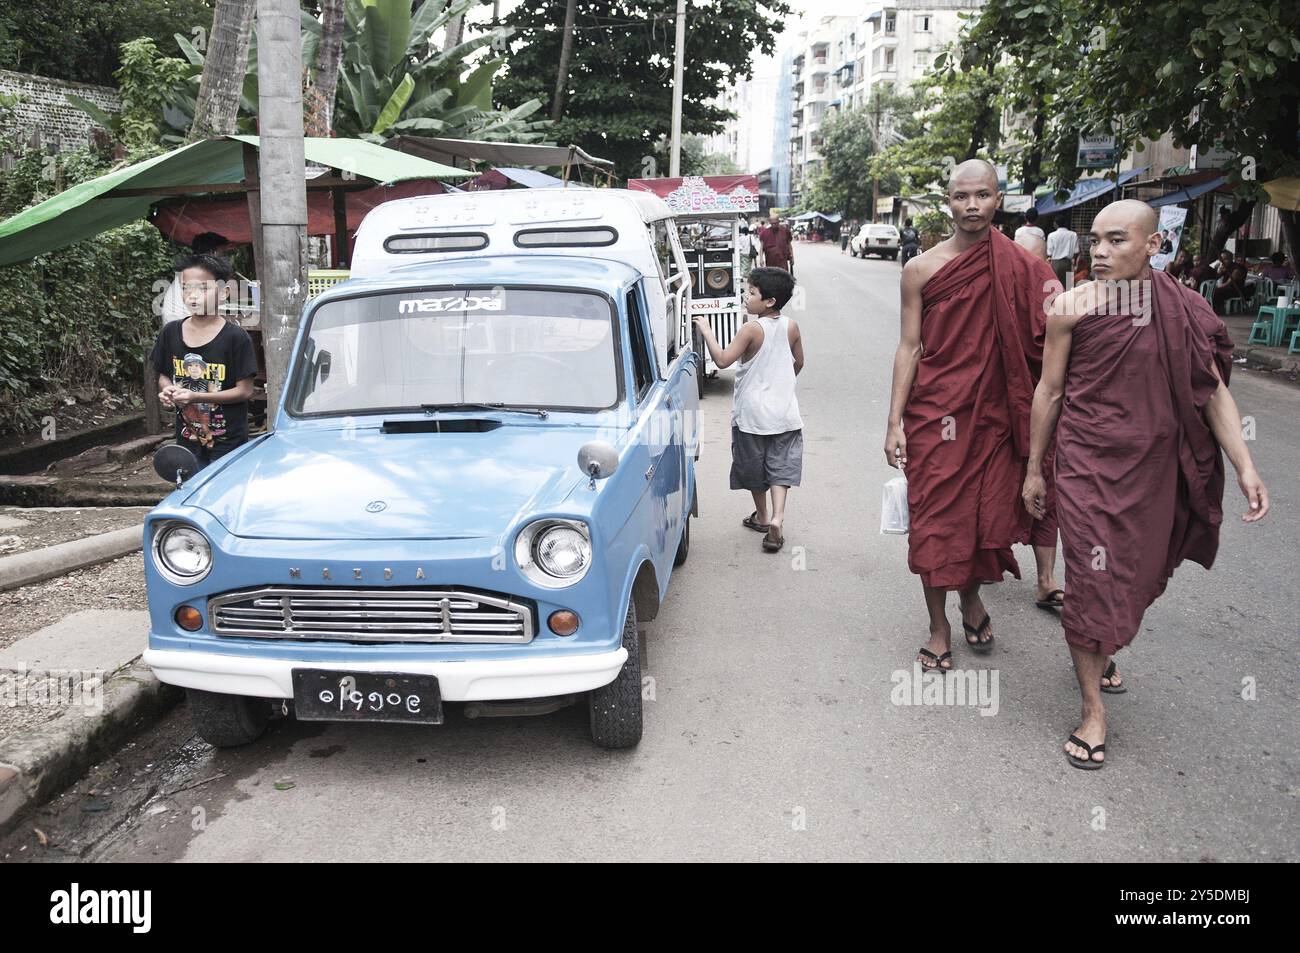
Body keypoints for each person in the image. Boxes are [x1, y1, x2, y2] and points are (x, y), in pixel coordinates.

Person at [1024, 200, 1269, 770]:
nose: (1102, 254)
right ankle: (1092, 711)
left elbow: (1212, 393)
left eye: (1117, 242)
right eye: (1096, 244)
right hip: (1087, 466)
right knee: (1089, 580)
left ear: (1153, 246)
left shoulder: (1183, 309)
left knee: (1130, 577)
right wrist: (1036, 468)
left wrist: (1245, 466)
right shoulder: (1070, 307)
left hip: (1155, 470)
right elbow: (1049, 392)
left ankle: (1102, 643)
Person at [885, 159, 1063, 673]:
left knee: (983, 519)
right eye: (961, 197)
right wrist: (893, 420)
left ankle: (970, 598)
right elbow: (909, 346)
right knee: (937, 519)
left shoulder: (1026, 269)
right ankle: (939, 626)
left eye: (982, 195)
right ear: (948, 201)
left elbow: (1054, 346)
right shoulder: (921, 269)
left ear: (998, 200)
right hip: (936, 412)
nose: (972, 206)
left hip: (996, 421)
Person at [693, 267, 804, 555]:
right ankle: (778, 517)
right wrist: (780, 381)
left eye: (752, 292)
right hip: (784, 413)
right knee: (781, 466)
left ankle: (763, 517)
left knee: (754, 467)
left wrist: (706, 330)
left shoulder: (751, 329)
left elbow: (722, 360)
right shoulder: (791, 326)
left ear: (769, 301)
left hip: (751, 415)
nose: (746, 296)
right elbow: (799, 362)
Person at [149, 253, 258, 471]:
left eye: (203, 288)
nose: (193, 296)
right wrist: (169, 390)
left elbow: (245, 391)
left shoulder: (236, 338)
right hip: (187, 440)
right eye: (186, 288)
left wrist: (197, 396)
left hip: (228, 443)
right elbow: (163, 375)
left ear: (224, 293)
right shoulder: (170, 333)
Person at [1046, 215, 1079, 287]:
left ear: (1055, 224)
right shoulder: (1073, 234)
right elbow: (1076, 252)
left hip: (1055, 264)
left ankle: (1057, 298)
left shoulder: (1051, 235)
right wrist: (1075, 264)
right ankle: (1068, 298)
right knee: (1068, 287)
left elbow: (1049, 253)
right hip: (1068, 263)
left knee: (1056, 287)